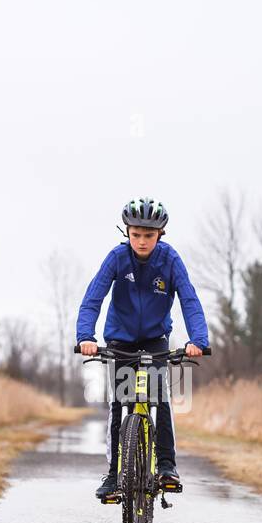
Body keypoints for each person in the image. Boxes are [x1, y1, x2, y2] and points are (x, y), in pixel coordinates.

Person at [75, 198, 210, 500]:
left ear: (160, 234)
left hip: (154, 340)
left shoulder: (170, 260)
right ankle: (113, 475)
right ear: (127, 232)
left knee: (158, 396)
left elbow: (189, 299)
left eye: (148, 235)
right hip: (119, 340)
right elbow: (94, 296)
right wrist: (86, 335)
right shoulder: (117, 258)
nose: (141, 241)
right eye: (135, 234)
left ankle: (166, 466)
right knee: (118, 402)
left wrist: (198, 340)